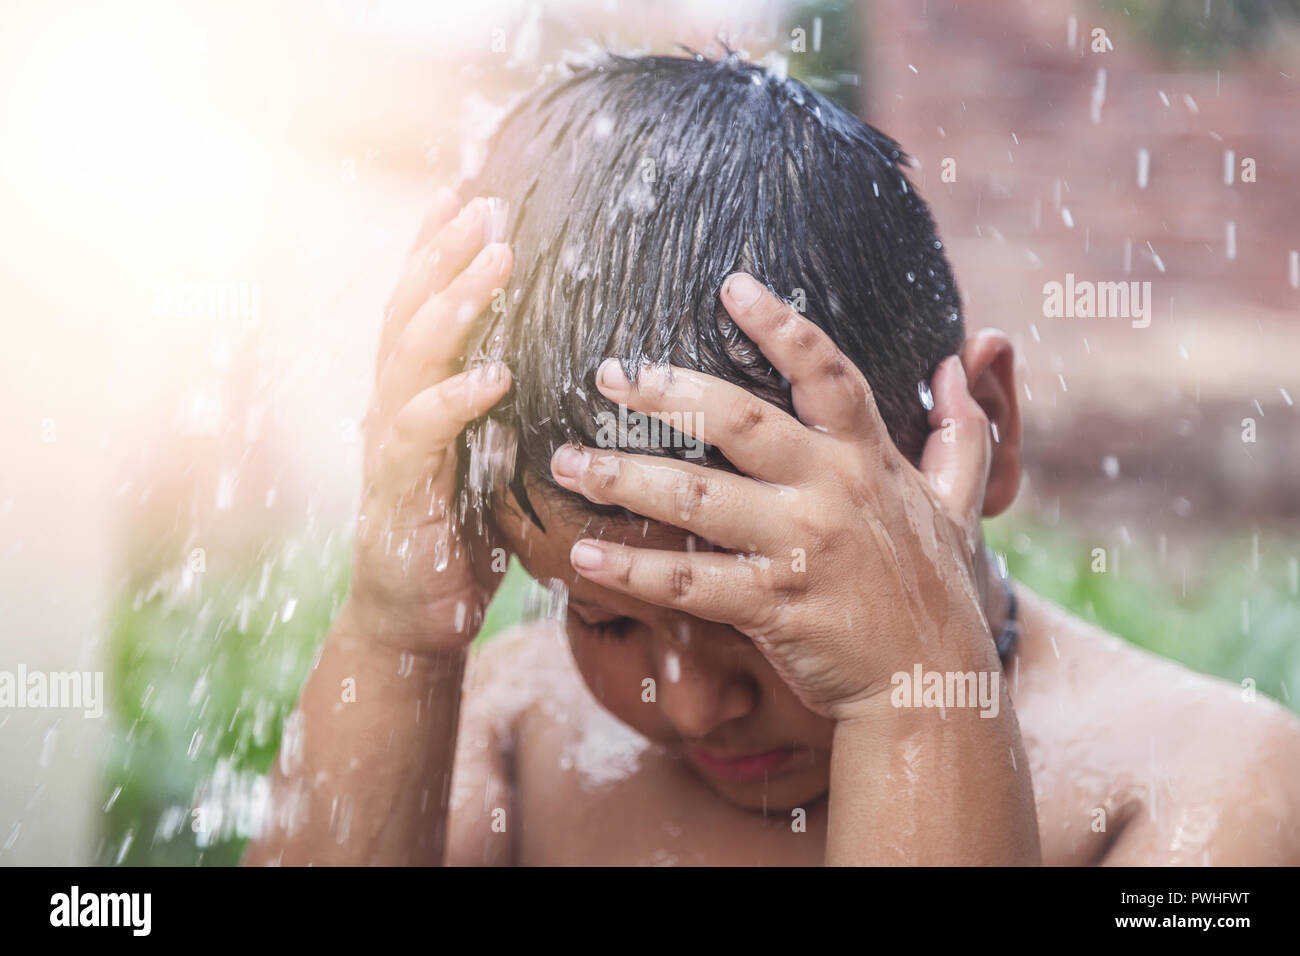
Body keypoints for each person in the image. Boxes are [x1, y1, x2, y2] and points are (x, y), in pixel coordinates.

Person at [243, 53, 1300, 866]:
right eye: (607, 616)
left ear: (984, 427)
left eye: (763, 605)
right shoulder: (519, 728)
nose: (693, 699)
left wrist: (916, 696)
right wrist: (397, 635)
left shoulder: (1197, 786)